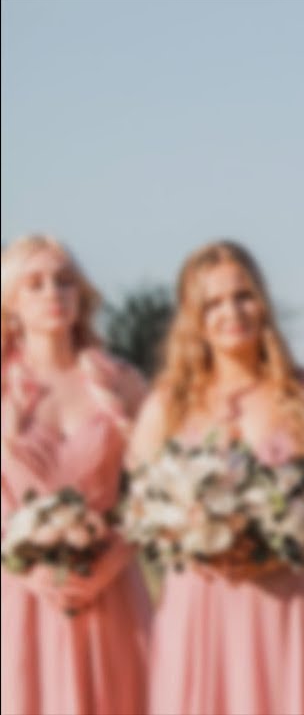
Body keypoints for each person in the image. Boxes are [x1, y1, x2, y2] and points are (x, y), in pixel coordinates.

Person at [129, 240, 304, 714]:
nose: (232, 312)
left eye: (242, 296)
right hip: (199, 609)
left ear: (261, 300)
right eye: (213, 303)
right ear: (192, 317)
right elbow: (140, 510)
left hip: (291, 606)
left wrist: (290, 546)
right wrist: (194, 537)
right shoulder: (167, 406)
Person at [1, 234, 152, 715]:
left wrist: (112, 559)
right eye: (35, 284)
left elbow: (159, 488)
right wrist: (32, 570)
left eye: (64, 281)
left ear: (80, 294)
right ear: (11, 302)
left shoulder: (122, 382)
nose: (53, 293)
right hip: (22, 597)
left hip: (111, 588)